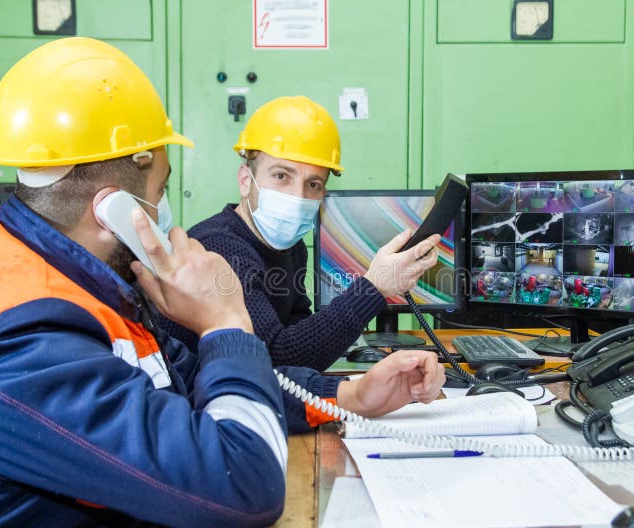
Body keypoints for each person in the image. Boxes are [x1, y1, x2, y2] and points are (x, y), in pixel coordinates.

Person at [0, 37, 444, 528]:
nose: (169, 212)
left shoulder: (80, 280)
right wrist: (225, 320)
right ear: (115, 213)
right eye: (162, 191)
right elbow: (245, 488)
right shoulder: (22, 344)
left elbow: (190, 382)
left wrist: (348, 395)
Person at [159, 96, 442, 371]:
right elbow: (273, 358)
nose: (297, 196)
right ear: (246, 181)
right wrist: (375, 287)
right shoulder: (219, 247)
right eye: (282, 176)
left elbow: (298, 333)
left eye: (313, 184)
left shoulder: (289, 245)